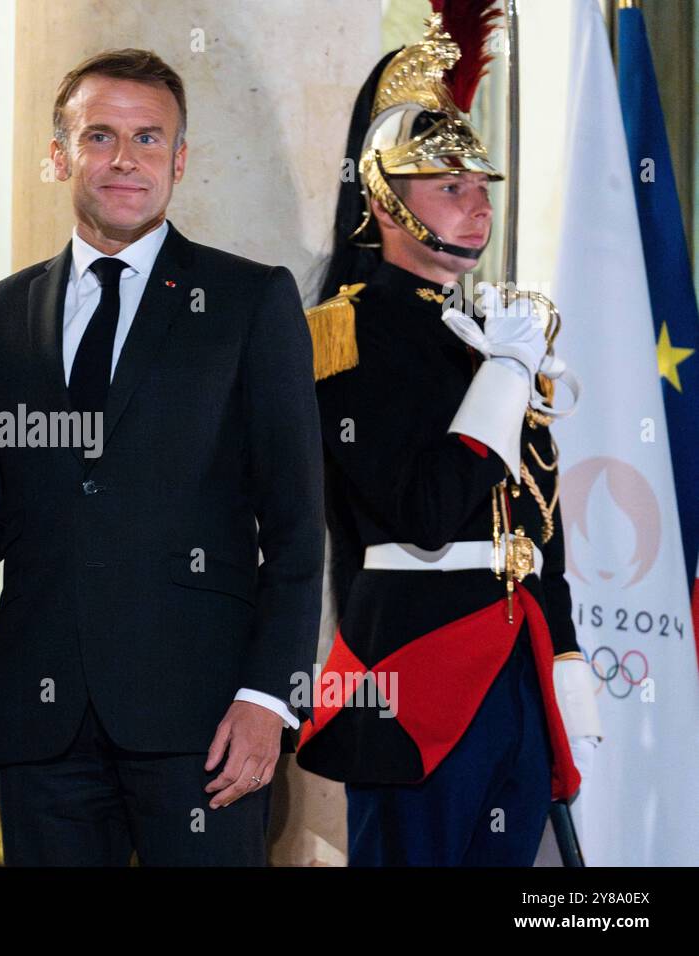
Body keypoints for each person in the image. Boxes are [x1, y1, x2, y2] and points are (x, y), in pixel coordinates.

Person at [0, 48, 325, 866]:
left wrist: (268, 698)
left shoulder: (249, 302)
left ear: (179, 161)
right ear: (59, 155)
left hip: (205, 722)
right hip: (45, 728)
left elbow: (295, 523)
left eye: (149, 139)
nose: (124, 161)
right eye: (99, 136)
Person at [294, 14, 602, 866]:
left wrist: (566, 644)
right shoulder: (345, 333)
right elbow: (424, 510)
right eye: (450, 188)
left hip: (516, 657)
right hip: (416, 666)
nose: (479, 208)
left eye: (482, 187)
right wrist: (506, 374)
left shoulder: (484, 331)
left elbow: (537, 515)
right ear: (387, 198)